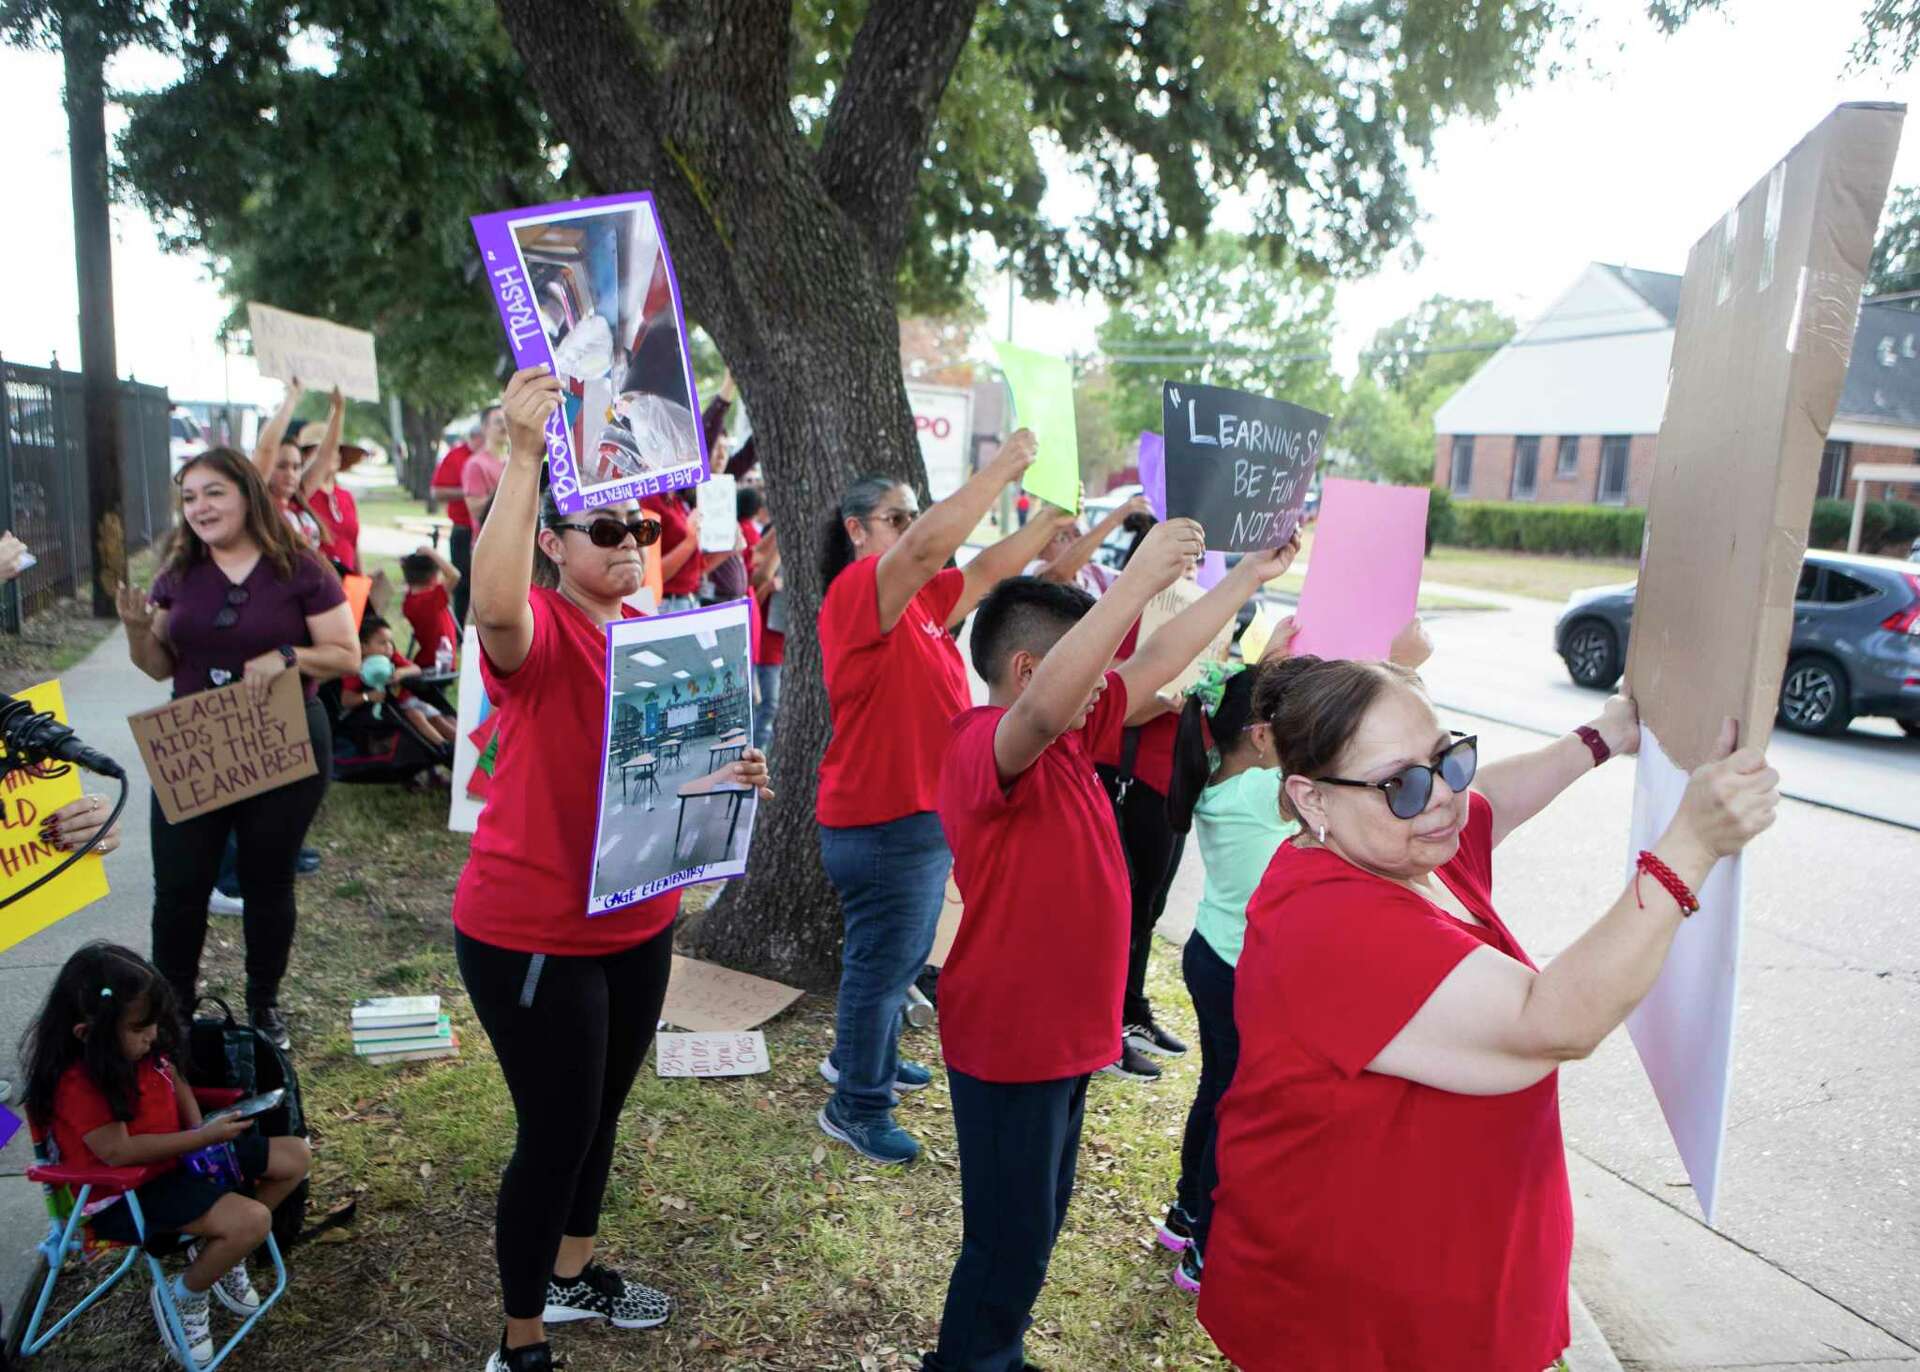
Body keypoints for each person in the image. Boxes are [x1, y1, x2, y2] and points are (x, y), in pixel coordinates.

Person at [1198, 658, 1779, 1371]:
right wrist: (1690, 847)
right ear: (1312, 800)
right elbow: (1554, 1020)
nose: (1441, 797)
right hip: (1358, 1316)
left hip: (1437, 1272)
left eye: (1448, 757)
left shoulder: (1405, 846)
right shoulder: (1326, 920)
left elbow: (1494, 800)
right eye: (1402, 783)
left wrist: (1602, 737)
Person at [456, 366, 772, 1372]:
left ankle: (572, 1271)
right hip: (531, 933)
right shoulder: (541, 632)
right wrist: (518, 455)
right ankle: (520, 1338)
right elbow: (493, 605)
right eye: (607, 531)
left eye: (641, 529)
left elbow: (661, 779)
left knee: (599, 1115)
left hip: (638, 925)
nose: (632, 544)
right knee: (552, 1132)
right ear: (555, 543)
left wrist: (731, 773)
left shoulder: (654, 642)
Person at [924, 522, 1292, 1371]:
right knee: (1005, 1242)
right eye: (1086, 672)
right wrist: (1130, 581)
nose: (1108, 696)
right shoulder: (988, 743)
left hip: (1059, 1044)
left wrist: (1242, 582)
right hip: (1011, 1041)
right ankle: (972, 1360)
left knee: (1040, 1219)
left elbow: (1158, 658)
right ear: (1028, 671)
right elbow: (1054, 701)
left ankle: (997, 1350)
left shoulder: (1073, 737)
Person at [813, 434, 1072, 1166]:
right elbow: (929, 549)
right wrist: (1002, 469)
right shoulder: (857, 593)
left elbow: (987, 568)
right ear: (858, 531)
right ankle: (855, 1104)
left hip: (914, 816)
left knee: (893, 962)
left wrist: (1047, 522)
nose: (911, 525)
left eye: (910, 514)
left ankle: (866, 1061)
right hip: (881, 820)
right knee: (880, 963)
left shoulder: (920, 599)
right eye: (896, 517)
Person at [1153, 617, 1429, 1294]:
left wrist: (1272, 656)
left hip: (1210, 955)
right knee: (1236, 1107)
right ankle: (1206, 1251)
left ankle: (1185, 1215)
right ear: (1262, 738)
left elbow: (1241, 711)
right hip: (1241, 971)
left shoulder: (1219, 777)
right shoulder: (1264, 798)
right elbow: (1361, 767)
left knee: (1215, 1092)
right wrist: (1402, 669)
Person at [116, 447, 359, 1050]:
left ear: (247, 494)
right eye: (190, 497)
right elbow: (157, 667)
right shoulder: (179, 573)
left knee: (267, 879)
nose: (199, 507)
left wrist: (287, 656)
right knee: (178, 885)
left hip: (281, 734)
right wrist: (136, 631)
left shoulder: (301, 568)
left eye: (213, 493)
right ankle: (171, 1012)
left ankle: (263, 1005)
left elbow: (345, 655)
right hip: (196, 738)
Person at [21, 943, 311, 1367]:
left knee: (295, 1156)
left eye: (155, 1024)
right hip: (126, 1194)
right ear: (88, 1033)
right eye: (141, 1029)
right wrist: (200, 1139)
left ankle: (216, 1252)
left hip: (179, 1162)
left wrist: (200, 1131)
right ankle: (183, 1294)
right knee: (253, 1220)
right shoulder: (79, 1083)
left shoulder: (140, 1049)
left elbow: (174, 1078)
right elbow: (118, 1153)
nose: (153, 1036)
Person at [1096, 525, 1299, 1083]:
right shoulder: (1125, 620)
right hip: (1137, 777)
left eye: (1194, 560)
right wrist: (1161, 700)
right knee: (1130, 908)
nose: (1189, 569)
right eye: (1182, 558)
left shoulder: (1225, 771)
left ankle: (1130, 1014)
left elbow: (1225, 690)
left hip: (1173, 779)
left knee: (1149, 907)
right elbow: (1121, 696)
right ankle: (1110, 1026)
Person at [344, 615, 459, 745]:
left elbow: (416, 669)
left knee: (440, 719)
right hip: (389, 713)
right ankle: (443, 745)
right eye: (382, 643)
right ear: (363, 648)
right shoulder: (358, 668)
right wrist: (367, 696)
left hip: (411, 701)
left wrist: (401, 672)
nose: (389, 647)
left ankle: (461, 746)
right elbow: (346, 699)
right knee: (416, 714)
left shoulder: (393, 658)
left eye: (390, 642)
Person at [1024, 493, 1153, 597]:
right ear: (1040, 547)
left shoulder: (1098, 575)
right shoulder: (1030, 571)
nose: (1075, 542)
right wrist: (1115, 518)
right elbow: (1055, 576)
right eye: (1062, 537)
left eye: (1077, 534)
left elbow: (1137, 583)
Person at [742, 505, 783, 752]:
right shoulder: (762, 562)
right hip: (765, 643)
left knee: (768, 703)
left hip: (777, 641)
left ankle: (759, 751)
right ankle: (756, 753)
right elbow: (759, 576)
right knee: (767, 703)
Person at [433, 425, 482, 624]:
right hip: (463, 528)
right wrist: (471, 490)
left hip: (485, 528)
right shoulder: (456, 456)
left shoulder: (495, 457)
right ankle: (462, 630)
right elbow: (437, 492)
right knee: (463, 582)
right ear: (475, 437)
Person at [400, 546, 462, 669]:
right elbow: (455, 575)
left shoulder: (409, 602)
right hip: (438, 664)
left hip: (428, 660)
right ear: (433, 577)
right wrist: (431, 552)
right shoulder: (432, 600)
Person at [461, 404, 510, 538]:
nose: (505, 426)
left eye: (508, 420)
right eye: (499, 422)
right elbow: (476, 509)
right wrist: (510, 494)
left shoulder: (515, 462)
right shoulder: (476, 464)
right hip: (488, 545)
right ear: (484, 428)